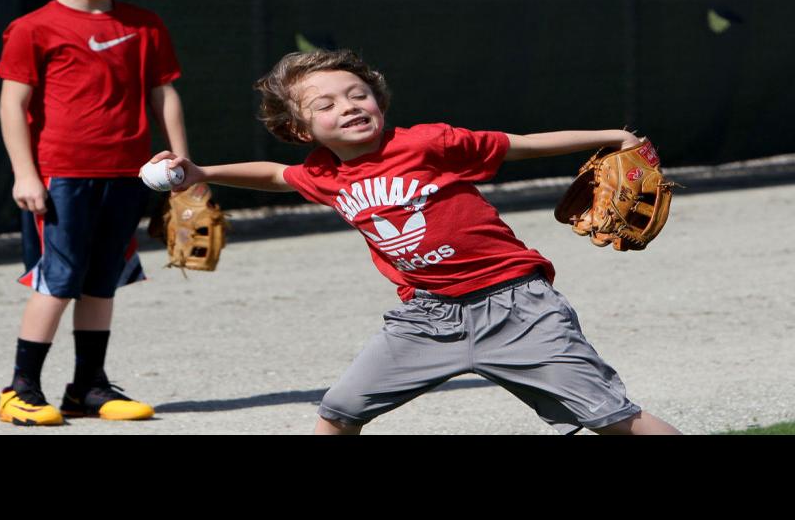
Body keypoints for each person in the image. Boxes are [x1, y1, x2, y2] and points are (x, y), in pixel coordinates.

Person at [146, 49, 681, 435]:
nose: (348, 105)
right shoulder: (323, 175)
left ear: (379, 101)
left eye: (358, 94)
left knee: (614, 419)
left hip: (515, 305)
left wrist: (613, 136)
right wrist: (203, 171)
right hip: (426, 318)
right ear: (301, 130)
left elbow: (519, 145)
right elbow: (273, 175)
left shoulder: (427, 143)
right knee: (338, 412)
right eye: (326, 104)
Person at [0, 0, 189, 426]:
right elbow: (12, 103)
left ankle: (87, 388)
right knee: (59, 278)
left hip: (127, 172)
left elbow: (163, 93)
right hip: (61, 173)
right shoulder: (32, 27)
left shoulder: (145, 24)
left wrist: (184, 164)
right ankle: (20, 389)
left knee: (103, 279)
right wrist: (25, 173)